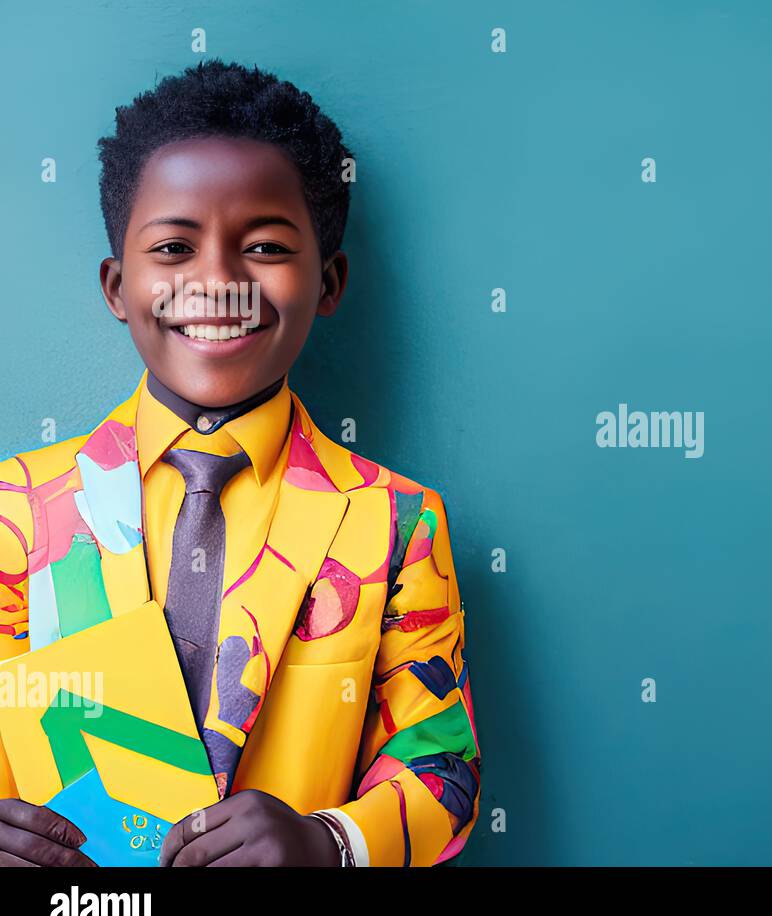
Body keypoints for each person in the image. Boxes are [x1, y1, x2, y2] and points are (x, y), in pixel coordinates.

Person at [0, 60, 481, 866]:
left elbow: (443, 772)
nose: (217, 282)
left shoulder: (396, 524)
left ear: (327, 283)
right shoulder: (15, 509)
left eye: (262, 246)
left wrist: (328, 841)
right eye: (174, 247)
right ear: (119, 286)